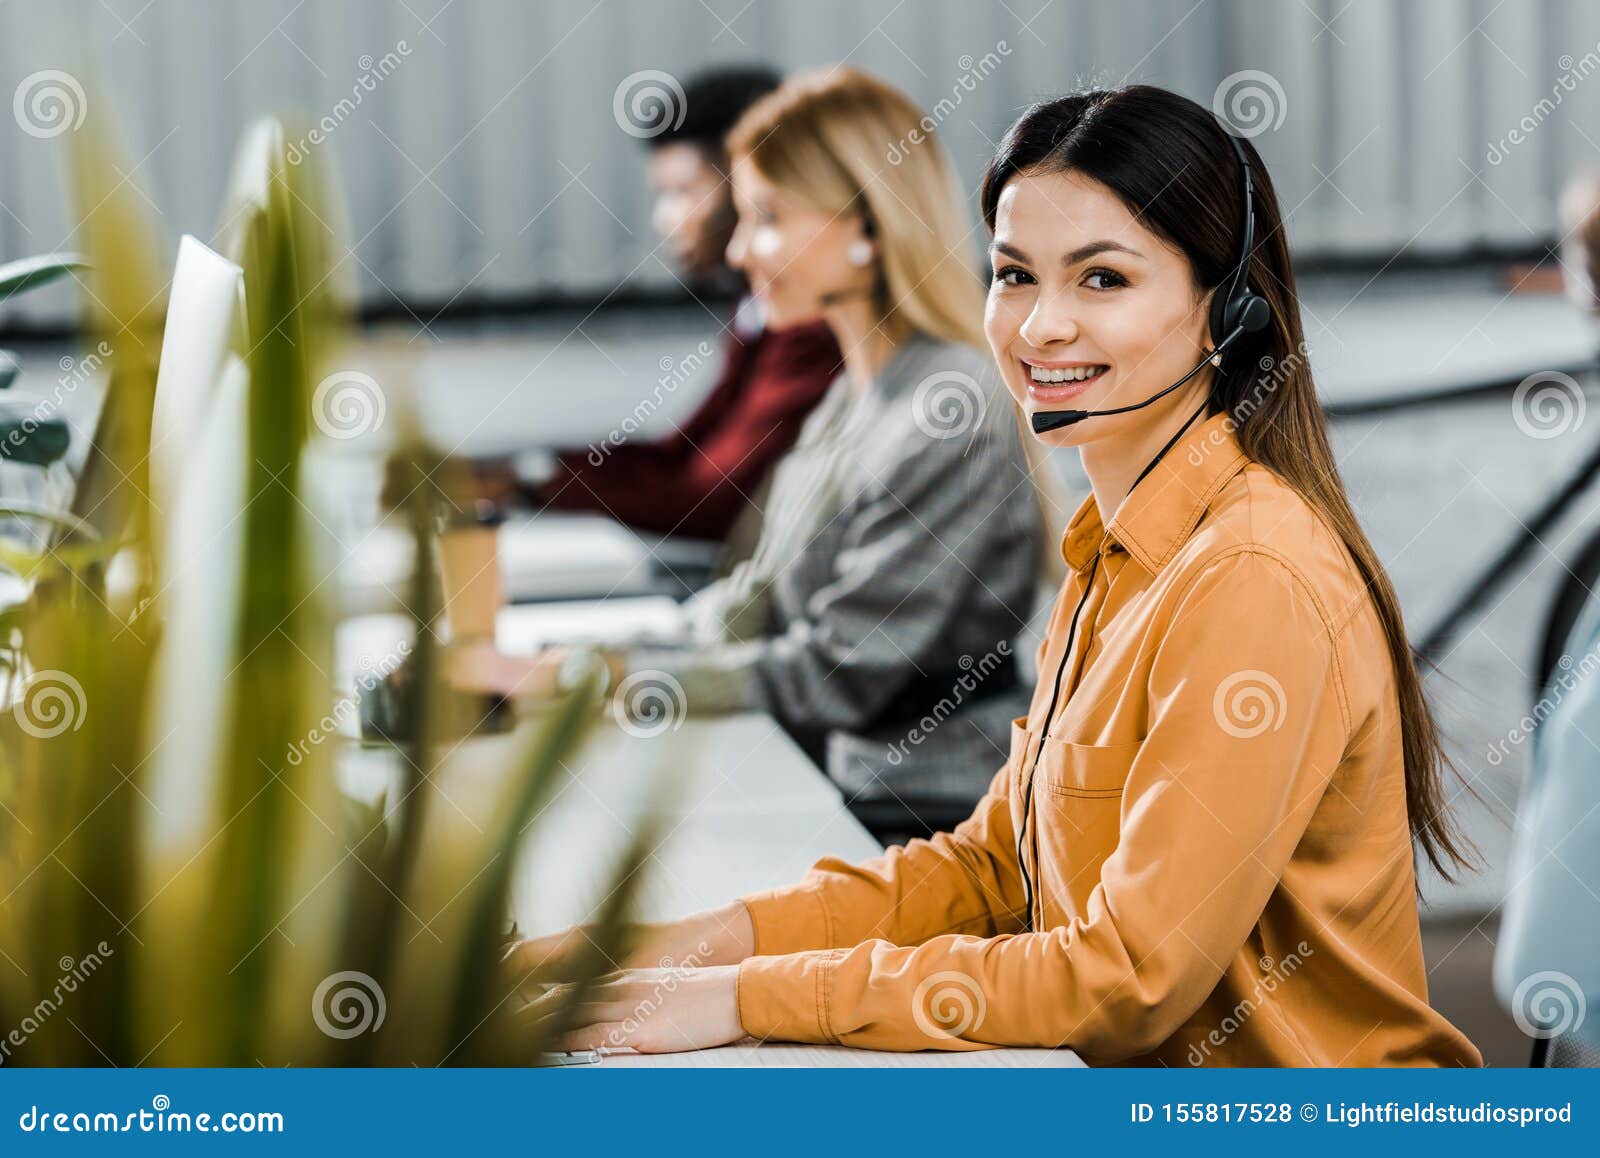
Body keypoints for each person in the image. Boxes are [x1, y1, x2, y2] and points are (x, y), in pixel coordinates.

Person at [507, 85, 1485, 1067]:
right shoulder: (1114, 550)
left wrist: (757, 997)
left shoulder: (1249, 579)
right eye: (1015, 274)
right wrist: (673, 952)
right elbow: (990, 869)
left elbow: (1126, 978)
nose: (1040, 325)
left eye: (1102, 280)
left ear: (1221, 309)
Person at [518, 65, 843, 543]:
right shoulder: (755, 305)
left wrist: (539, 486)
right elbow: (684, 452)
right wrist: (536, 471)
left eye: (683, 192)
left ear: (750, 181)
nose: (664, 219)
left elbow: (707, 498)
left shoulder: (810, 318)